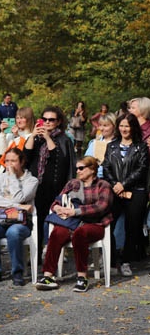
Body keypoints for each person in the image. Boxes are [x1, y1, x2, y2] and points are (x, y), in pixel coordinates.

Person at [35, 156, 113, 293]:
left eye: (81, 168)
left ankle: (82, 277)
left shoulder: (103, 185)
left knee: (80, 233)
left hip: (95, 224)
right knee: (57, 232)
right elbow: (56, 202)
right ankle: (48, 276)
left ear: (92, 169)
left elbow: (102, 206)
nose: (78, 171)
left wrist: (76, 211)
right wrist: (58, 208)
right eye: (77, 168)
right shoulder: (73, 184)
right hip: (71, 222)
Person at [0, 148, 39, 285]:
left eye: (13, 161)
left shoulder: (32, 181)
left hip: (22, 222)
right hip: (1, 219)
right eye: (6, 161)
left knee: (14, 232)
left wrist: (12, 177)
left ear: (22, 162)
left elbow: (20, 197)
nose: (9, 164)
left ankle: (17, 272)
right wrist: (20, 206)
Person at [25, 106, 76, 258]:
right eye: (45, 119)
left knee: (53, 220)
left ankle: (54, 252)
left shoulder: (64, 139)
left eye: (51, 120)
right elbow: (26, 156)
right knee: (38, 220)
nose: (47, 122)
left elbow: (59, 160)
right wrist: (33, 135)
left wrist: (48, 138)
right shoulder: (36, 139)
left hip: (55, 186)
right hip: (37, 186)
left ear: (58, 121)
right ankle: (36, 253)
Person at [101, 113, 148, 277]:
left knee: (132, 227)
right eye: (121, 125)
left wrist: (124, 184)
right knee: (109, 225)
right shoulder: (112, 146)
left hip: (136, 191)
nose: (124, 129)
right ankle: (113, 259)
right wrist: (115, 185)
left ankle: (126, 260)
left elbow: (141, 170)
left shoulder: (140, 147)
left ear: (133, 127)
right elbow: (106, 167)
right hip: (115, 191)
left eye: (127, 126)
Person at [0, 106, 35, 171]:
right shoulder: (11, 134)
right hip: (4, 171)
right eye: (17, 118)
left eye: (22, 118)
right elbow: (1, 151)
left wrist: (17, 136)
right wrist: (3, 134)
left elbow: (23, 154)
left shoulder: (32, 137)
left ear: (29, 119)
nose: (19, 121)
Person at [85, 113, 117, 177]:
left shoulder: (121, 144)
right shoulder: (94, 143)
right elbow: (86, 163)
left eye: (105, 126)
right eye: (100, 125)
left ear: (114, 126)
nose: (101, 129)